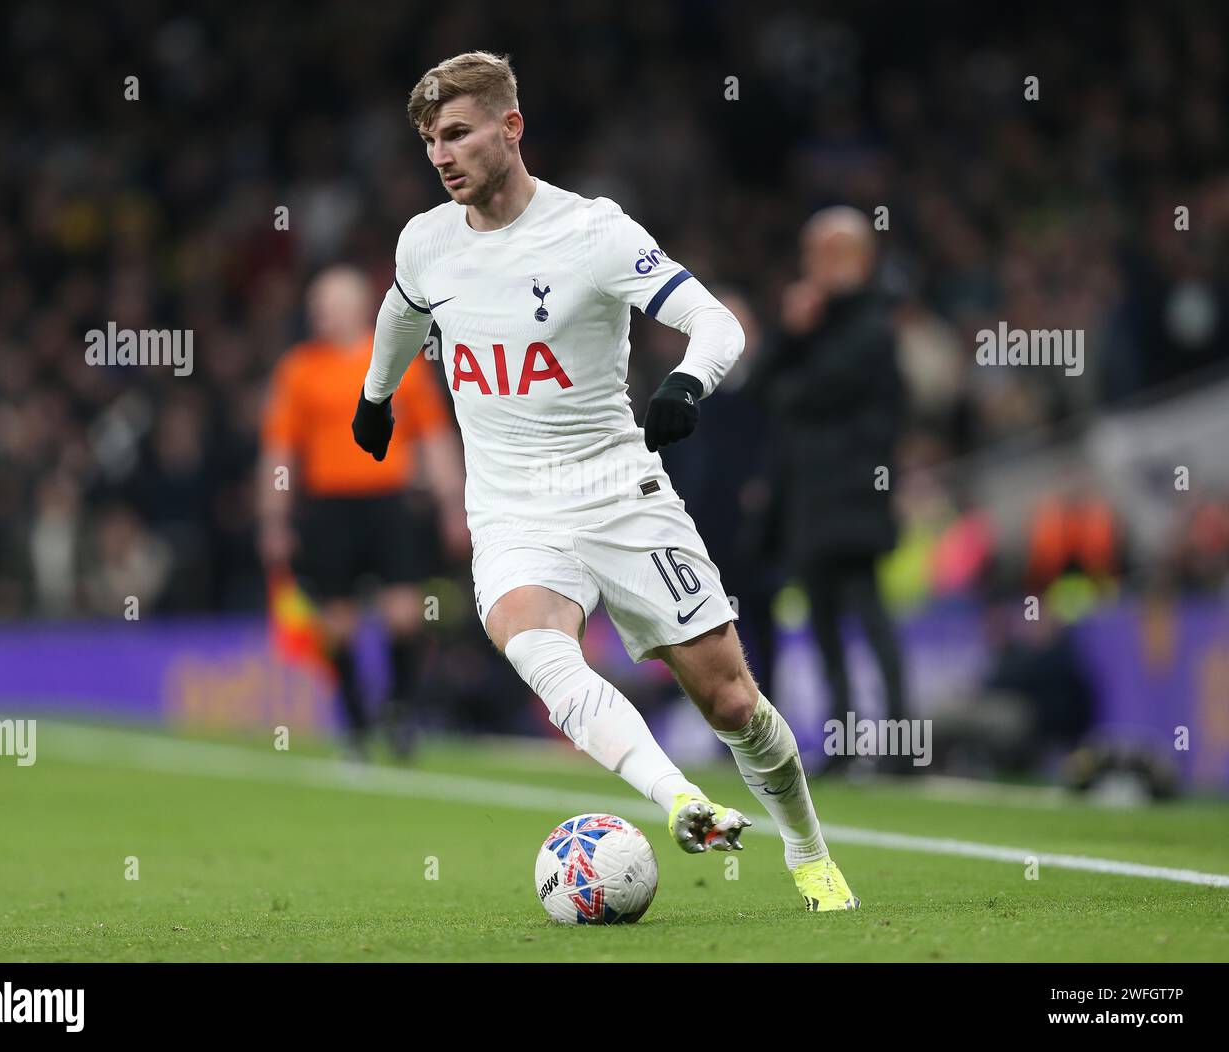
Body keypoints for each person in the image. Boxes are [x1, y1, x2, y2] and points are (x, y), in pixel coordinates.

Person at [352, 52, 857, 910]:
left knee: (732, 702)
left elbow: (716, 322)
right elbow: (401, 309)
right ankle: (680, 800)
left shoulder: (593, 232)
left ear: (511, 128)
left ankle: (808, 849)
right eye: (431, 140)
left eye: (459, 133)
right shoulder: (426, 241)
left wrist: (686, 383)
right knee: (536, 644)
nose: (441, 155)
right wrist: (376, 395)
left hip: (618, 490)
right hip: (512, 509)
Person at [260, 266, 466, 758]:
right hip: (328, 506)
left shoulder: (400, 360)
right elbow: (279, 452)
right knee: (336, 622)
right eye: (317, 305)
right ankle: (354, 722)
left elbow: (434, 438)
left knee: (404, 614)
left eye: (330, 304)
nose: (320, 314)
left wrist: (453, 505)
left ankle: (399, 712)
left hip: (390, 501)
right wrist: (274, 517)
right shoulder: (300, 369)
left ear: (359, 307)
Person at [763, 207, 910, 774]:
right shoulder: (814, 326)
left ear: (855, 259)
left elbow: (802, 394)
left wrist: (798, 342)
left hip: (853, 498)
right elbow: (766, 389)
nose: (811, 267)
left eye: (822, 255)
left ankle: (898, 748)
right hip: (810, 500)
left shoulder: (872, 325)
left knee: (869, 617)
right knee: (824, 624)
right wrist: (788, 335)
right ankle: (844, 743)